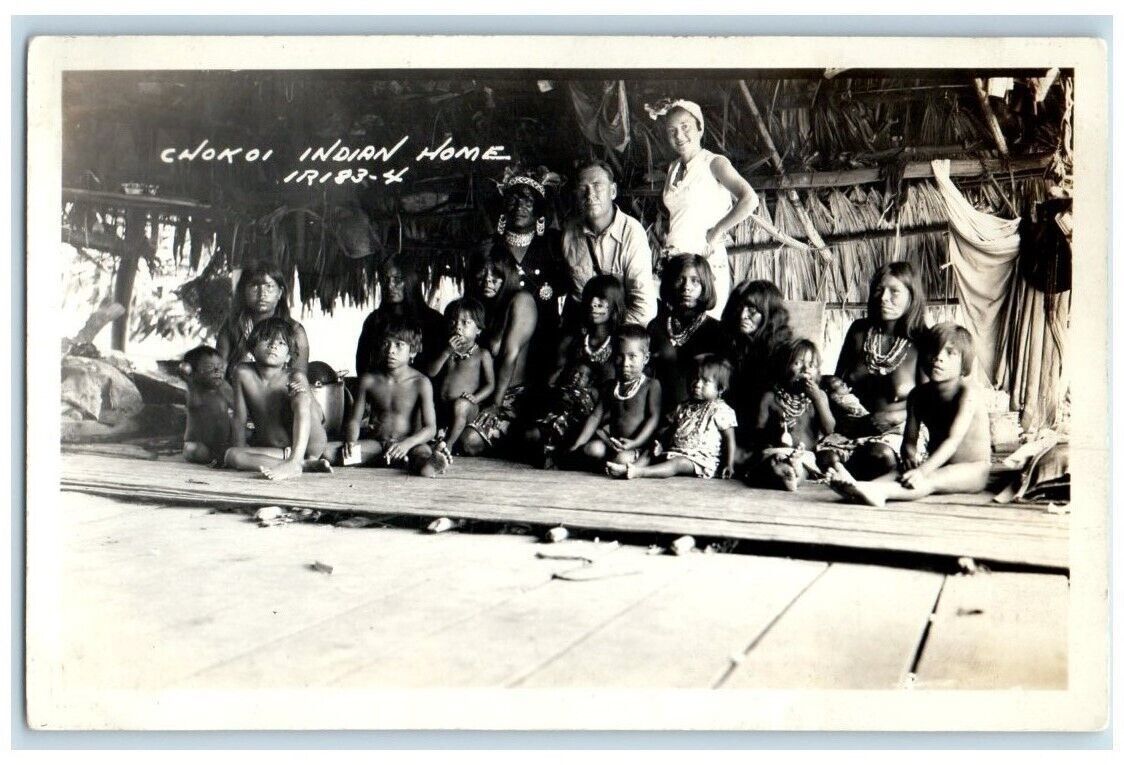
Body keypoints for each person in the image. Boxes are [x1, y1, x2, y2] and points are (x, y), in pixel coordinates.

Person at [827, 323, 991, 507]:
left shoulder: (968, 394)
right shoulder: (918, 395)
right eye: (933, 351)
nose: (938, 358)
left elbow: (952, 442)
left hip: (973, 469)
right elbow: (909, 441)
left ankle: (880, 493)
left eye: (950, 353)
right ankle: (860, 487)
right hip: (936, 463)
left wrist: (922, 471)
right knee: (898, 473)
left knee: (930, 479)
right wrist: (910, 458)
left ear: (964, 363)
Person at [656, 99, 759, 319]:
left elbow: (749, 199)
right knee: (674, 327)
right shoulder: (674, 167)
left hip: (704, 261)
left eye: (685, 127)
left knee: (705, 327)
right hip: (675, 261)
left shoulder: (714, 163)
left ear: (700, 127)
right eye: (672, 130)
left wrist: (716, 231)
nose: (679, 135)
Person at [826, 261, 928, 479]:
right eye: (879, 290)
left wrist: (893, 417)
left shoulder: (923, 341)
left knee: (879, 456)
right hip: (851, 431)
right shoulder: (859, 331)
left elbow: (933, 404)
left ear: (912, 295)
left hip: (898, 433)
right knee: (827, 459)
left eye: (894, 292)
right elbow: (838, 386)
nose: (883, 298)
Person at [222, 318, 332, 480]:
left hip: (308, 444)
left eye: (281, 343)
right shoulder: (242, 373)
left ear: (288, 356)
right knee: (232, 455)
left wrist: (299, 396)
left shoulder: (295, 375)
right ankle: (301, 465)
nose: (273, 345)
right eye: (266, 339)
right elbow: (240, 417)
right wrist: (242, 453)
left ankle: (296, 460)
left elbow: (316, 415)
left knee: (301, 397)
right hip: (278, 450)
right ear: (252, 348)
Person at [489, 167, 569, 383]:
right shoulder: (491, 246)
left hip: (545, 341)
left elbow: (568, 285)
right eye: (513, 201)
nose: (519, 208)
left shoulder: (553, 244)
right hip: (500, 340)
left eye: (527, 202)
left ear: (539, 210)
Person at [336, 319, 443, 477]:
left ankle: (428, 465)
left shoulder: (421, 383)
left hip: (409, 444)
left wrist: (406, 444)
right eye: (386, 344)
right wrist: (351, 441)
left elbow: (431, 428)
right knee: (330, 453)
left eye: (399, 344)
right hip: (377, 446)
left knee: (422, 455)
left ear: (412, 351)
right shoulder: (369, 380)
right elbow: (354, 420)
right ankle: (391, 461)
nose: (391, 350)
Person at [607, 353, 737, 480]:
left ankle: (639, 472)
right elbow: (670, 430)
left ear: (720, 389)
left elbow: (729, 439)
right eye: (694, 378)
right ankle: (630, 468)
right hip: (675, 451)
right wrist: (661, 445)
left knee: (677, 463)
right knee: (650, 451)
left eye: (705, 382)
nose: (697, 384)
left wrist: (729, 464)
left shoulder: (720, 410)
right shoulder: (683, 406)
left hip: (699, 460)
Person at [459, 249, 539, 456]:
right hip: (480, 392)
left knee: (470, 441)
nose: (488, 280)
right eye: (482, 273)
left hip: (509, 395)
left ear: (508, 275)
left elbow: (509, 355)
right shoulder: (478, 305)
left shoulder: (521, 301)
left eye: (495, 274)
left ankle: (519, 442)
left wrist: (496, 404)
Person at [561, 160, 658, 327]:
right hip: (587, 326)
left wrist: (607, 334)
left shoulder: (632, 233)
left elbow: (644, 309)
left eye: (597, 185)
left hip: (625, 327)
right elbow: (576, 298)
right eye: (583, 188)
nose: (590, 195)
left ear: (612, 191)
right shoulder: (570, 234)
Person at [568, 324, 662, 472]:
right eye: (620, 356)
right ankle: (609, 465)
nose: (625, 364)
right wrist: (578, 444)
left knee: (622, 459)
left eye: (632, 357)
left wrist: (634, 442)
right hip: (613, 443)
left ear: (646, 358)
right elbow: (595, 417)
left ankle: (621, 465)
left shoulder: (651, 385)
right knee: (591, 449)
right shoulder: (610, 386)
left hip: (638, 446)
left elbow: (653, 419)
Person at [750, 339, 835, 491]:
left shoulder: (820, 396)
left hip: (803, 454)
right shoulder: (770, 397)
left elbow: (829, 429)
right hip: (775, 452)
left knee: (802, 468)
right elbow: (757, 434)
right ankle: (785, 472)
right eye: (798, 363)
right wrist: (775, 430)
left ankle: (794, 474)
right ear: (784, 367)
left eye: (812, 365)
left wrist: (816, 399)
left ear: (818, 372)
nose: (805, 369)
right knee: (770, 464)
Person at [720, 279, 794, 448]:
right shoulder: (730, 343)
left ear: (769, 314)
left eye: (752, 310)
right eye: (740, 307)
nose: (742, 315)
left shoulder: (784, 353)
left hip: (766, 431)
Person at [646, 254, 725, 412]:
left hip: (698, 421)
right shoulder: (656, 326)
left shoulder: (717, 331)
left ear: (705, 285)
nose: (686, 287)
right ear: (670, 283)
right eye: (680, 279)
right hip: (655, 414)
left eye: (695, 281)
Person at [424, 298, 495, 458]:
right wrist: (447, 352)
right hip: (443, 407)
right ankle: (434, 441)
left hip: (468, 408)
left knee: (461, 405)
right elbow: (431, 372)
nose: (458, 327)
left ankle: (446, 446)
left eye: (465, 322)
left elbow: (490, 384)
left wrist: (475, 398)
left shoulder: (482, 354)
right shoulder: (446, 351)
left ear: (478, 329)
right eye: (454, 322)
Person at [354, 254, 446, 378]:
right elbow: (362, 366)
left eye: (397, 279)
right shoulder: (374, 321)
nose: (389, 285)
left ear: (410, 281)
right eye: (385, 279)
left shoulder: (433, 321)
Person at [216, 265, 309, 381]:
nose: (262, 294)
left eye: (269, 286)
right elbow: (218, 375)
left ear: (280, 293)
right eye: (254, 286)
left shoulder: (295, 330)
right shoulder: (231, 327)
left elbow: (300, 381)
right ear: (243, 291)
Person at [179, 345, 235, 465]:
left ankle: (221, 456)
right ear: (193, 373)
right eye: (209, 367)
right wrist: (188, 378)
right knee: (196, 451)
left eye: (220, 367)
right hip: (198, 443)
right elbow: (194, 402)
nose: (217, 371)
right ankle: (216, 458)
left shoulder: (223, 389)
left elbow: (236, 405)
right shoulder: (195, 391)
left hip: (222, 442)